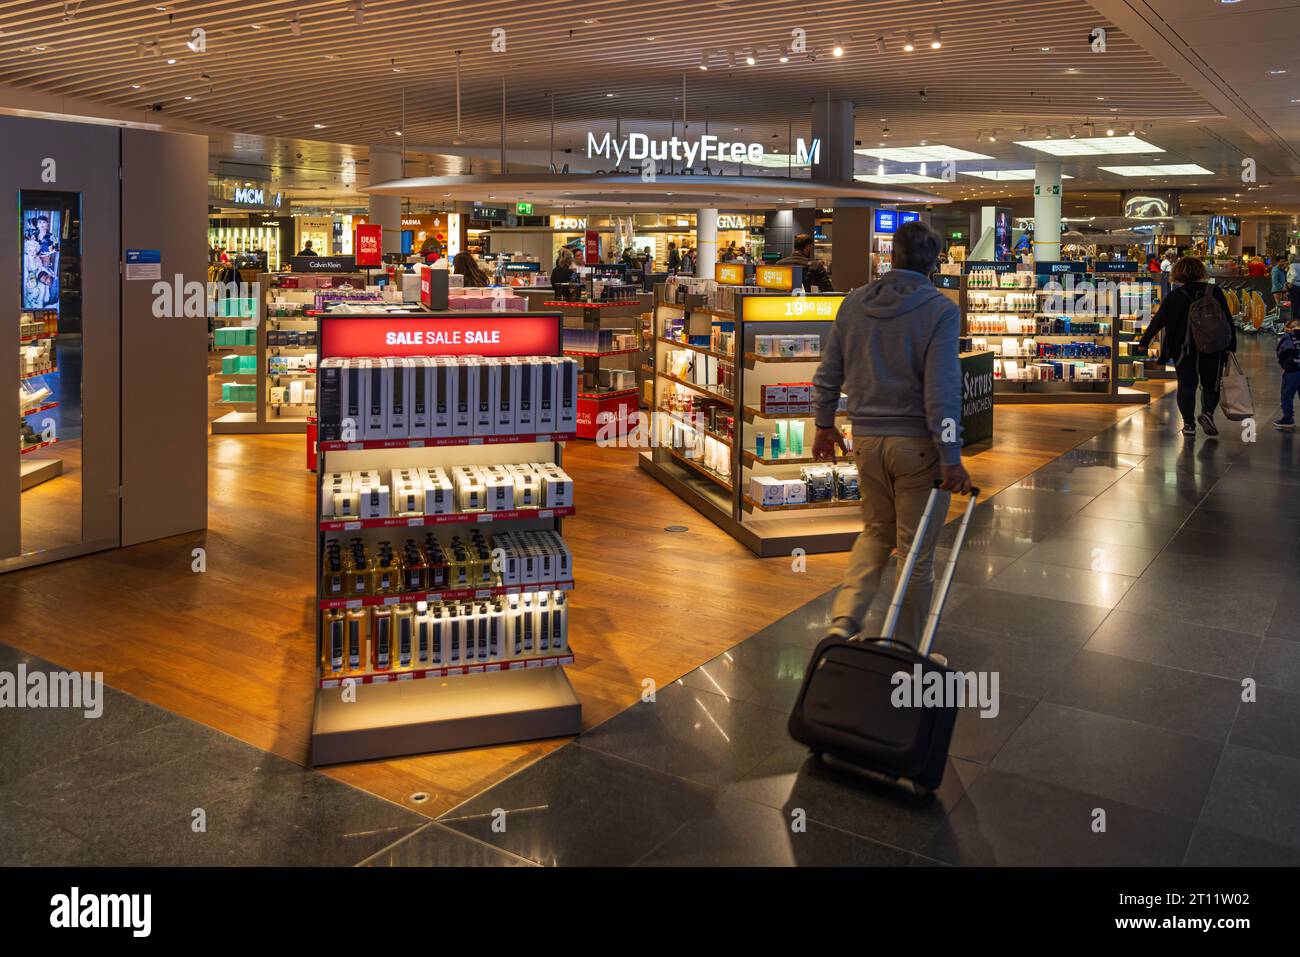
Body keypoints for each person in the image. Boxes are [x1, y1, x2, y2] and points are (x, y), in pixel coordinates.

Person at [811, 220, 971, 653]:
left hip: (865, 440)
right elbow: (942, 389)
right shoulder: (940, 309)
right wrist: (951, 453)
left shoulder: (855, 303)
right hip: (917, 446)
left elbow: (828, 373)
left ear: (891, 257)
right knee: (914, 552)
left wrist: (824, 425)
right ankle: (905, 652)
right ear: (934, 262)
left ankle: (843, 624)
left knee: (875, 533)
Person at [1137, 256, 1237, 436]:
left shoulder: (1174, 296)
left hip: (1183, 347)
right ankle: (1207, 413)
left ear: (1178, 273)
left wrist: (1144, 341)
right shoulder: (1214, 291)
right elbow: (1227, 320)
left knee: (1187, 384)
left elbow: (1159, 320)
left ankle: (1189, 425)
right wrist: (1231, 345)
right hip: (1213, 346)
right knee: (1211, 384)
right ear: (1201, 272)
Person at [1274, 318, 1300, 431]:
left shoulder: (1288, 337)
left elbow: (1283, 350)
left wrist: (1284, 363)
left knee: (1287, 395)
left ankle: (1288, 419)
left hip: (1292, 371)